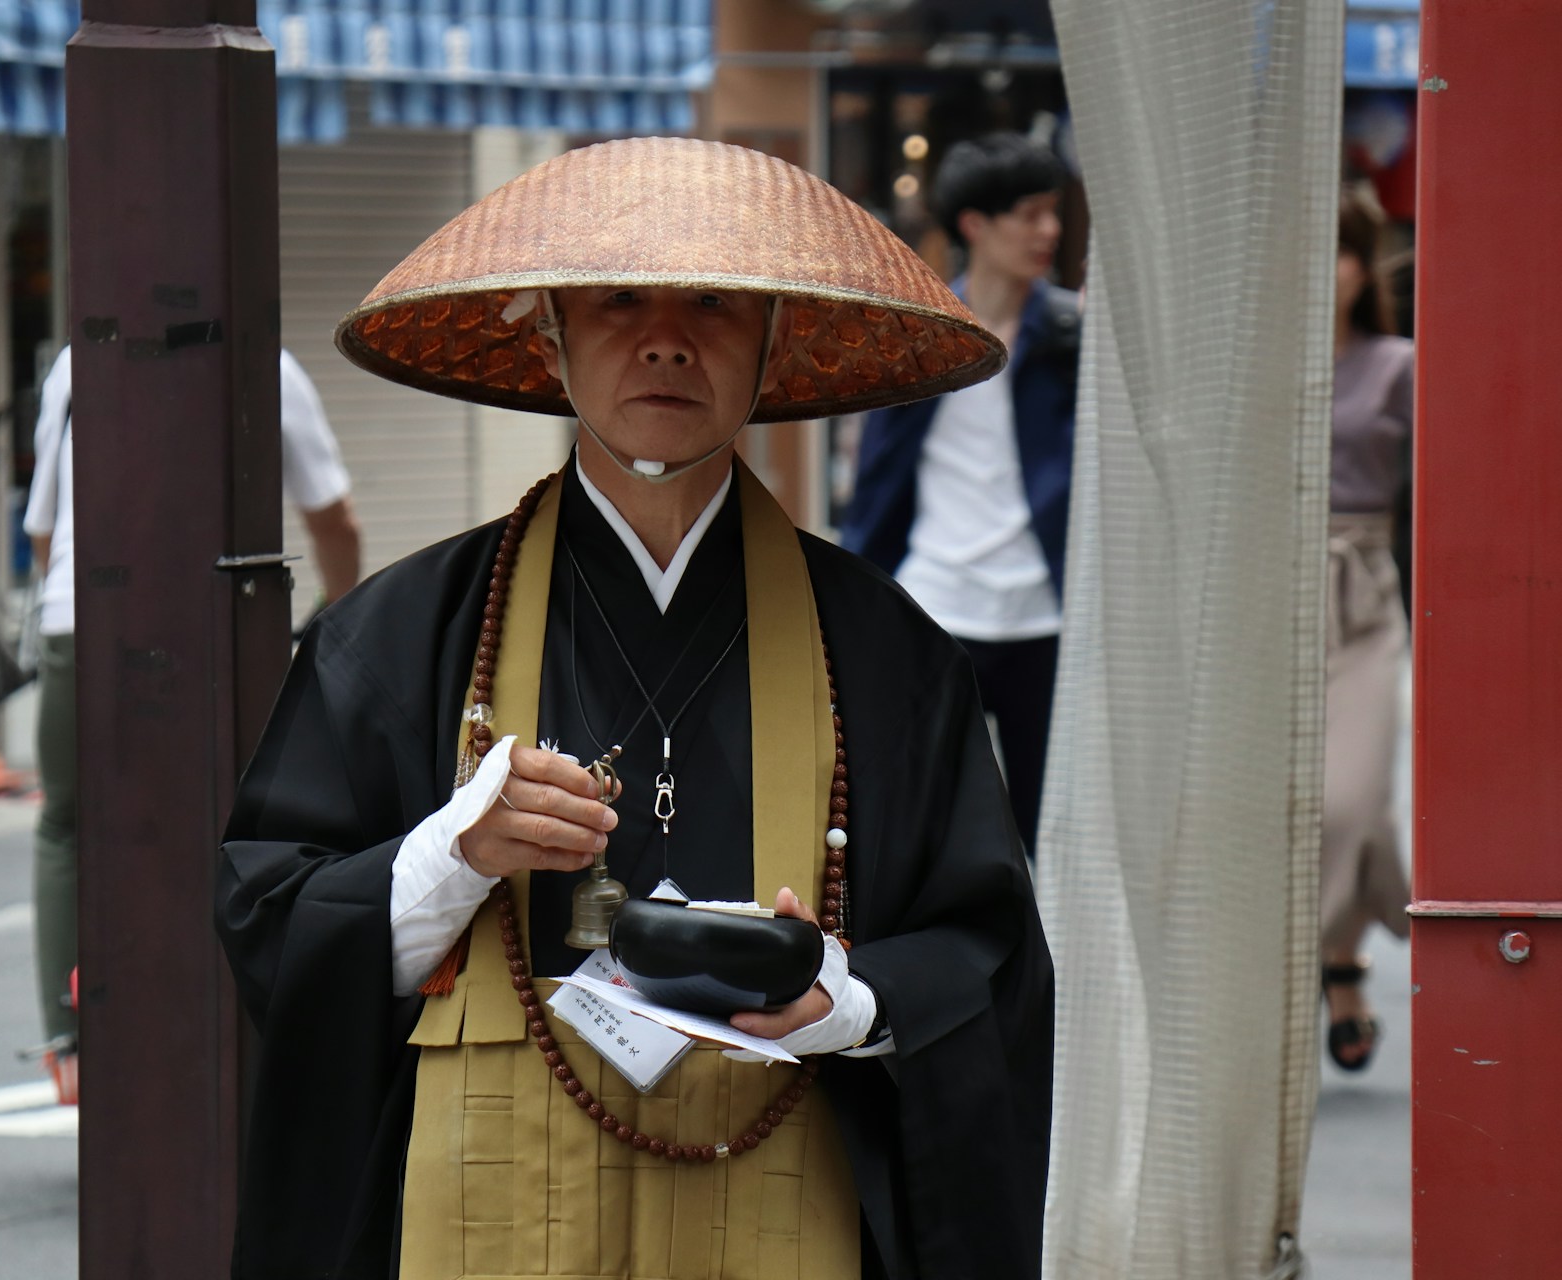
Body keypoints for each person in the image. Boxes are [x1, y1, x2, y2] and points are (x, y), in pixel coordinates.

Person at [216, 137, 1053, 1279]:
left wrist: (843, 1000)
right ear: (547, 334)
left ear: (776, 342)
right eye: (616, 299)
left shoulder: (887, 653)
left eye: (713, 300)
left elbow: (987, 955)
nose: (665, 336)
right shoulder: (402, 635)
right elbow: (270, 916)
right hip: (491, 1209)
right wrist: (450, 853)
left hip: (782, 1203)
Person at [21, 343, 361, 1100]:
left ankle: (69, 1045)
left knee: (69, 826)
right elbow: (333, 517)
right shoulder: (263, 363)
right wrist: (336, 615)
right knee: (231, 827)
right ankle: (229, 1037)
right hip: (210, 631)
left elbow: (41, 528)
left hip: (76, 618)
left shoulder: (78, 360)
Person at [841, 133, 1079, 860]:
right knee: (937, 832)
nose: (1050, 231)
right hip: (942, 613)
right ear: (975, 224)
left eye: (1053, 213)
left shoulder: (1074, 336)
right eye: (1029, 214)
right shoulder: (926, 335)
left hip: (1051, 621)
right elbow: (878, 485)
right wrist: (852, 606)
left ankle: (1045, 976)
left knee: (1055, 839)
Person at [1318, 187, 1413, 1072]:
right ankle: (1342, 966)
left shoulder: (1398, 364)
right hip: (1273, 600)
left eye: (1343, 250)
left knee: (1349, 801)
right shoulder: (1271, 362)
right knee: (1326, 811)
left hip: (1367, 602)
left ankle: (1319, 953)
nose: (1330, 269)